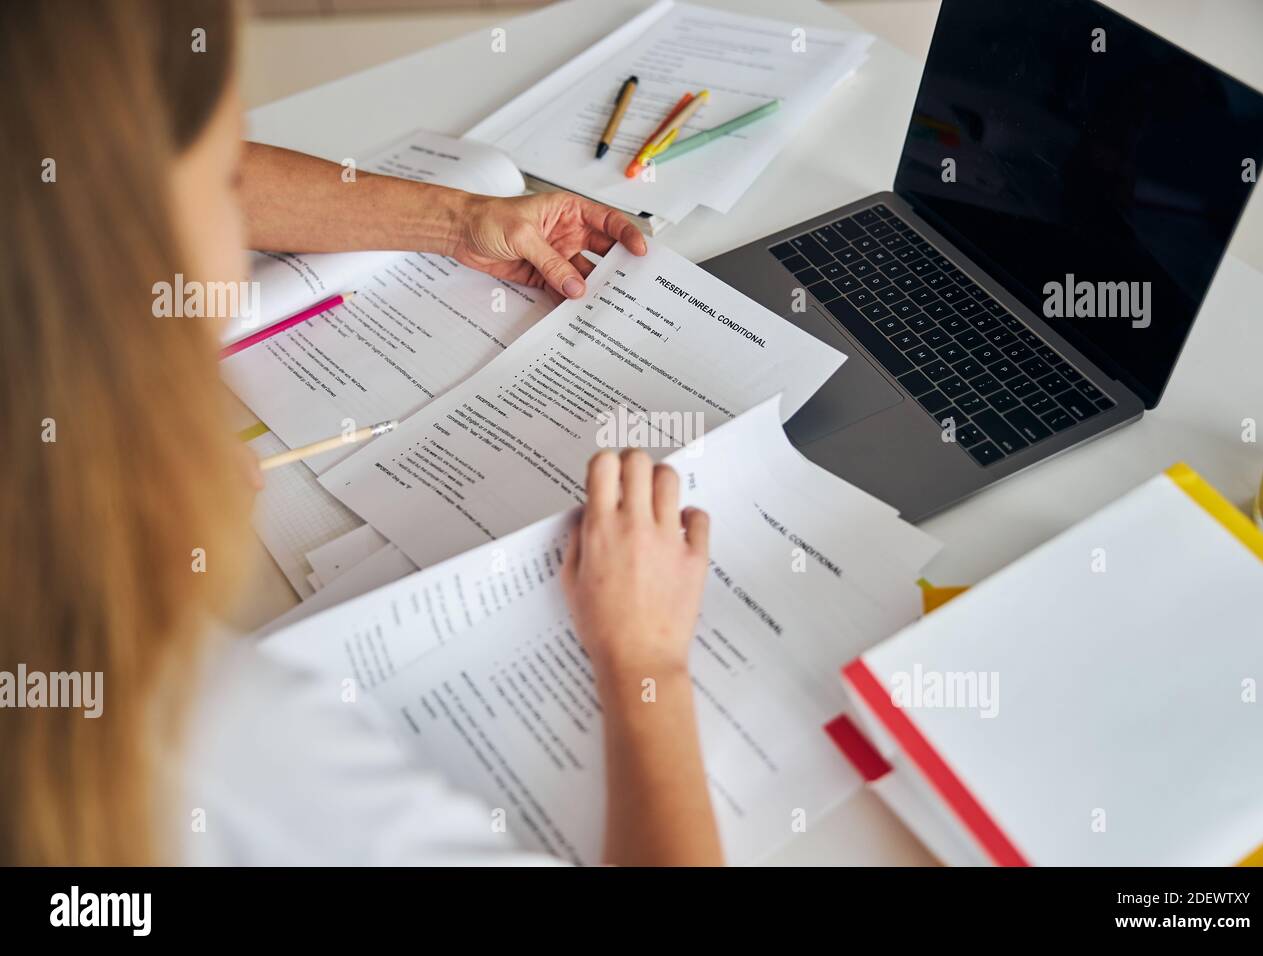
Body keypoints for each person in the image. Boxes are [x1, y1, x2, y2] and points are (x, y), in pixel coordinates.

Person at [0, 0, 722, 866]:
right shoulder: (207, 743)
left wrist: (460, 220)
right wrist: (650, 666)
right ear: (122, 248)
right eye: (226, 179)